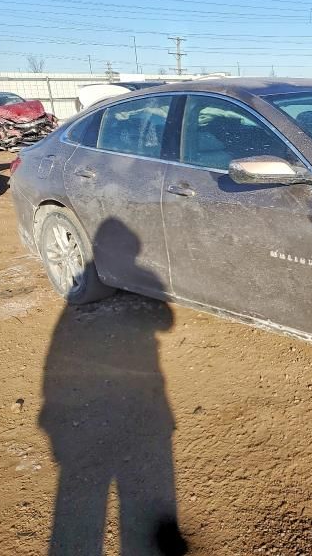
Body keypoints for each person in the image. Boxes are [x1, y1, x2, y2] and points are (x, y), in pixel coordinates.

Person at [39, 218, 187, 555]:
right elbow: (166, 321)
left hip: (86, 429)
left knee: (79, 496)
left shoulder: (66, 325)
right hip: (145, 418)